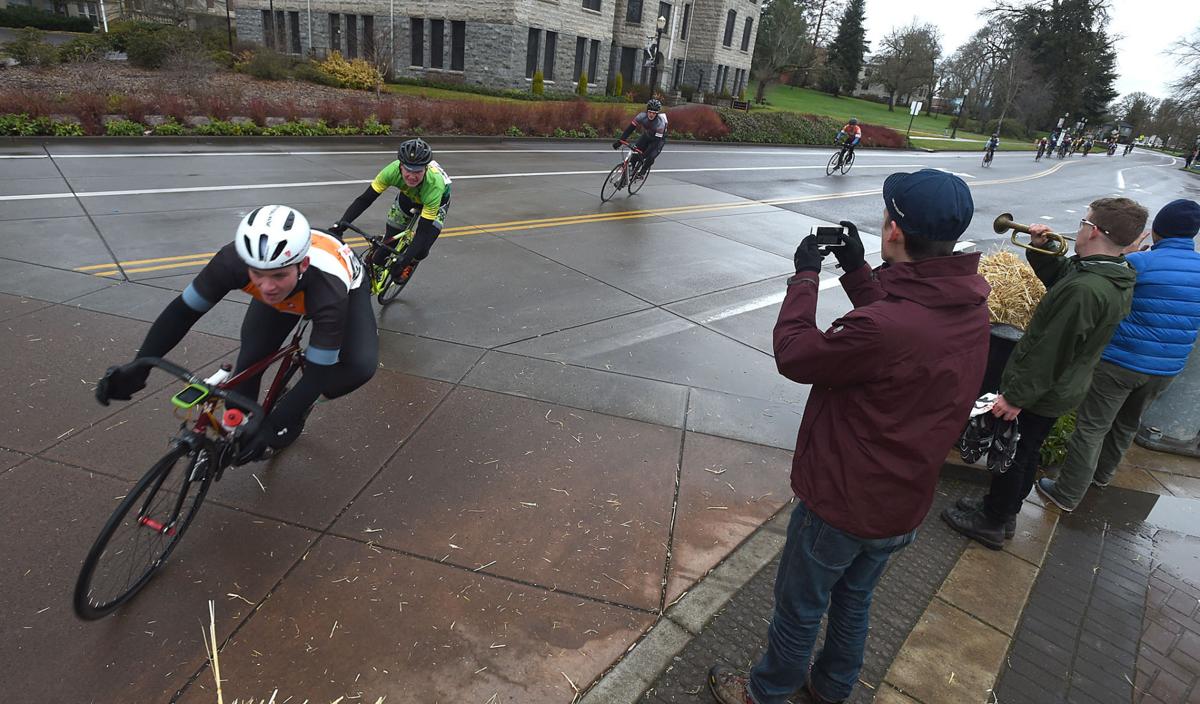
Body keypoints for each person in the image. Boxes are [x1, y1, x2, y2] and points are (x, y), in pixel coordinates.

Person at [707, 170, 991, 704]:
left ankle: (767, 693)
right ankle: (832, 687)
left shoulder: (886, 328)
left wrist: (805, 277)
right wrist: (859, 269)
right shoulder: (968, 307)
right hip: (902, 501)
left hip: (842, 501)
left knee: (799, 608)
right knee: (855, 600)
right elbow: (897, 324)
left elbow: (797, 354)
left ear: (894, 231)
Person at [95, 205, 378, 463]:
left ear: (301, 266)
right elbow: (182, 313)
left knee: (359, 366)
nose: (267, 288)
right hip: (296, 287)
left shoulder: (329, 291)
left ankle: (299, 403)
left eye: (278, 275)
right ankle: (235, 430)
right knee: (252, 358)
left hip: (346, 284)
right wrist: (139, 366)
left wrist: (270, 426)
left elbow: (317, 373)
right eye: (258, 274)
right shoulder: (230, 263)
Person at [943, 197, 1148, 549]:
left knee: (1014, 454)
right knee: (1027, 450)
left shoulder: (1087, 289)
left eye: (1084, 223)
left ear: (1095, 231)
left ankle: (992, 521)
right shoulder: (1107, 273)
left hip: (1041, 390)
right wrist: (1042, 249)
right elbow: (1061, 281)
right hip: (1059, 388)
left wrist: (1015, 396)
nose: (1080, 228)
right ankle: (1002, 511)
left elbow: (1051, 349)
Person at [1037, 200, 1200, 510]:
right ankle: (1101, 476)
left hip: (1122, 361)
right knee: (1127, 425)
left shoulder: (1141, 264)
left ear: (1157, 231)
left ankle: (1067, 492)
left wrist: (1130, 252)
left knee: (1092, 428)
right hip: (1166, 370)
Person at [329, 137, 451, 288]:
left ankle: (411, 263)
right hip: (408, 197)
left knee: (421, 249)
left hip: (437, 202)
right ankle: (379, 260)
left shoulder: (434, 184)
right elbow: (365, 200)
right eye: (408, 170)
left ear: (425, 168)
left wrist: (406, 260)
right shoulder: (390, 171)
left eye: (418, 171)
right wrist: (341, 224)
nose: (412, 176)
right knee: (389, 241)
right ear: (400, 166)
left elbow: (422, 232)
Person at [612, 98, 668, 177]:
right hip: (648, 134)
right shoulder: (641, 116)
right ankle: (628, 174)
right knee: (635, 154)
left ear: (657, 113)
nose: (651, 114)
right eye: (650, 112)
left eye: (654, 113)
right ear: (647, 111)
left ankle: (643, 171)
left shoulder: (660, 123)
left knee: (650, 156)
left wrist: (643, 156)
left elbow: (655, 144)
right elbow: (629, 129)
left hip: (658, 139)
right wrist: (620, 141)